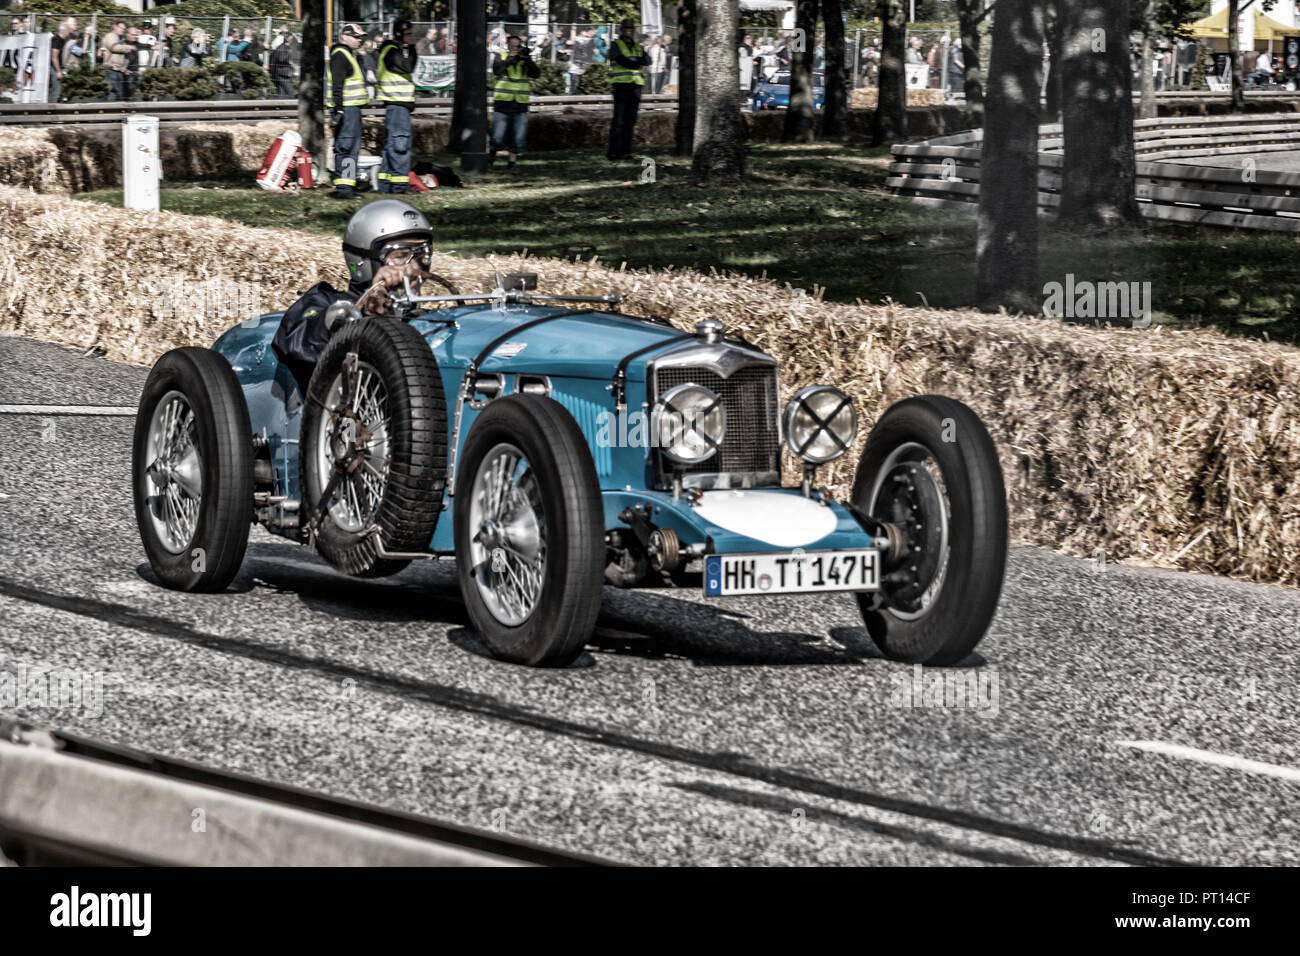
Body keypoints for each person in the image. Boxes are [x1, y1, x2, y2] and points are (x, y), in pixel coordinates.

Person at [376, 19, 417, 193]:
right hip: (397, 105)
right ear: (399, 34)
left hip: (397, 106)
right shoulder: (391, 52)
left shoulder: (391, 51)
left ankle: (385, 184)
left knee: (391, 146)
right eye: (408, 34)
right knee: (400, 145)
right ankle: (400, 185)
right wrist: (413, 48)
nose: (411, 37)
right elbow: (408, 67)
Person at [329, 23, 369, 199]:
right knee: (346, 148)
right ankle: (344, 189)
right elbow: (337, 86)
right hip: (347, 109)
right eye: (356, 37)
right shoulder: (340, 55)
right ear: (344, 36)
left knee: (351, 148)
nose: (359, 40)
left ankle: (347, 185)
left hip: (352, 109)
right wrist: (339, 110)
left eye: (360, 37)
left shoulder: (348, 55)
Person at [491, 33, 540, 170]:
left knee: (517, 136)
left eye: (517, 46)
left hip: (520, 103)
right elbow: (497, 70)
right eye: (512, 46)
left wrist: (527, 60)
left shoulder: (524, 59)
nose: (515, 48)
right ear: (507, 46)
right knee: (497, 136)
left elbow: (536, 74)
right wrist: (510, 58)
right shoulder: (500, 56)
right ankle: (491, 158)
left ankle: (512, 163)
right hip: (503, 102)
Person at [606, 19, 646, 162]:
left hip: (636, 86)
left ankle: (626, 152)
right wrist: (636, 61)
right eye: (627, 27)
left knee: (630, 121)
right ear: (622, 29)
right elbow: (621, 60)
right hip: (621, 86)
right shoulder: (616, 44)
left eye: (631, 27)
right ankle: (613, 153)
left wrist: (634, 60)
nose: (629, 29)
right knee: (619, 120)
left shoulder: (637, 46)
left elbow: (647, 60)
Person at [102, 22, 137, 101]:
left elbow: (122, 57)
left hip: (119, 71)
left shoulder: (120, 39)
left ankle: (115, 111)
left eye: (124, 29)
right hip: (111, 70)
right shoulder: (110, 36)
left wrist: (124, 69)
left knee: (119, 95)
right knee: (113, 93)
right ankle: (109, 111)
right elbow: (114, 47)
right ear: (114, 26)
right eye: (121, 28)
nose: (122, 30)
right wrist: (129, 47)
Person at [49, 18, 76, 103]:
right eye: (68, 29)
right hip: (55, 69)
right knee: (56, 92)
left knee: (61, 92)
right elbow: (54, 57)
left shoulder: (63, 40)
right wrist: (58, 71)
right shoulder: (57, 40)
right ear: (63, 30)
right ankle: (52, 111)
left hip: (59, 69)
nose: (69, 31)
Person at [270, 30, 295, 97]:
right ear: (289, 40)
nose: (292, 41)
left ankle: (279, 106)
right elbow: (281, 58)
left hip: (283, 73)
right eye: (292, 39)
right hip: (282, 74)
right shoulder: (282, 47)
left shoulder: (284, 47)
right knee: (291, 93)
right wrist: (290, 54)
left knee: (282, 95)